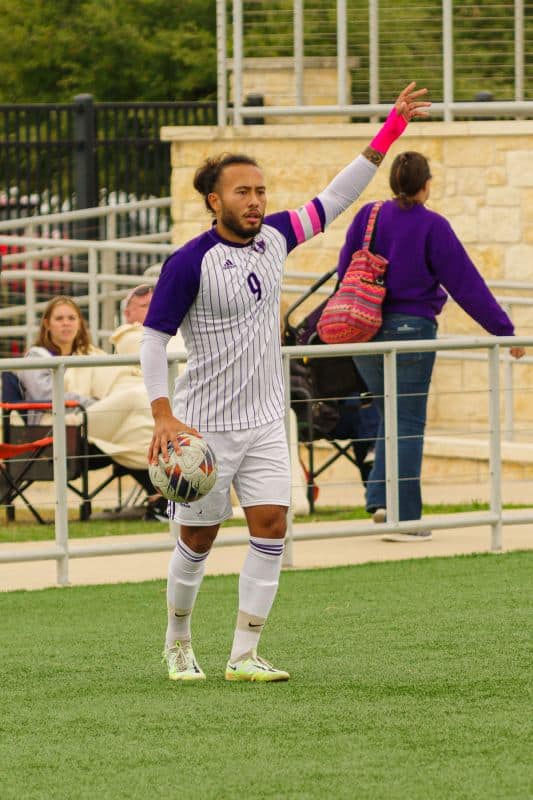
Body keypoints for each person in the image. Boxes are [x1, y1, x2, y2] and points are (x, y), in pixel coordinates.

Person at [140, 83, 431, 683]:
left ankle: (243, 655)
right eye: (242, 192)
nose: (255, 201)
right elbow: (151, 339)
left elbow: (336, 197)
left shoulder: (277, 236)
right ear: (214, 200)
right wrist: (163, 414)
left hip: (267, 420)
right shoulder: (189, 261)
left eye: (260, 191)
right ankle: (177, 642)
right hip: (204, 428)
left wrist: (390, 130)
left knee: (272, 528)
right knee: (197, 540)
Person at [337, 150, 526, 543]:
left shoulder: (368, 216)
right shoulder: (432, 226)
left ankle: (382, 500)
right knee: (406, 421)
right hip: (411, 330)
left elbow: (345, 272)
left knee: (392, 414)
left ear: (394, 182)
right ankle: (406, 520)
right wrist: (504, 330)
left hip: (362, 332)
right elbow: (465, 283)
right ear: (425, 185)